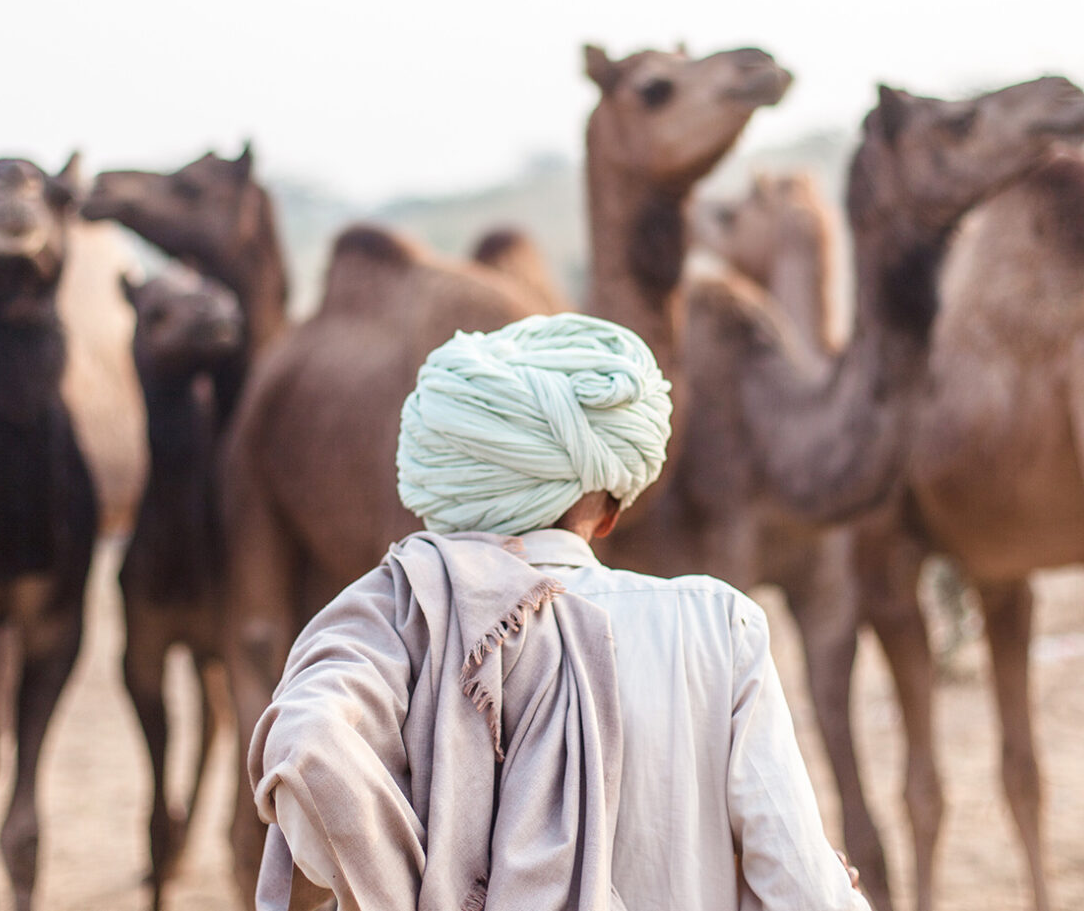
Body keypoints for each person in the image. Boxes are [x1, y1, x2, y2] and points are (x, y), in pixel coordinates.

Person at [248, 313, 867, 911]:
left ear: (444, 494)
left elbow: (309, 749)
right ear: (611, 510)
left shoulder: (392, 626)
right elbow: (803, 893)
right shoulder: (719, 627)